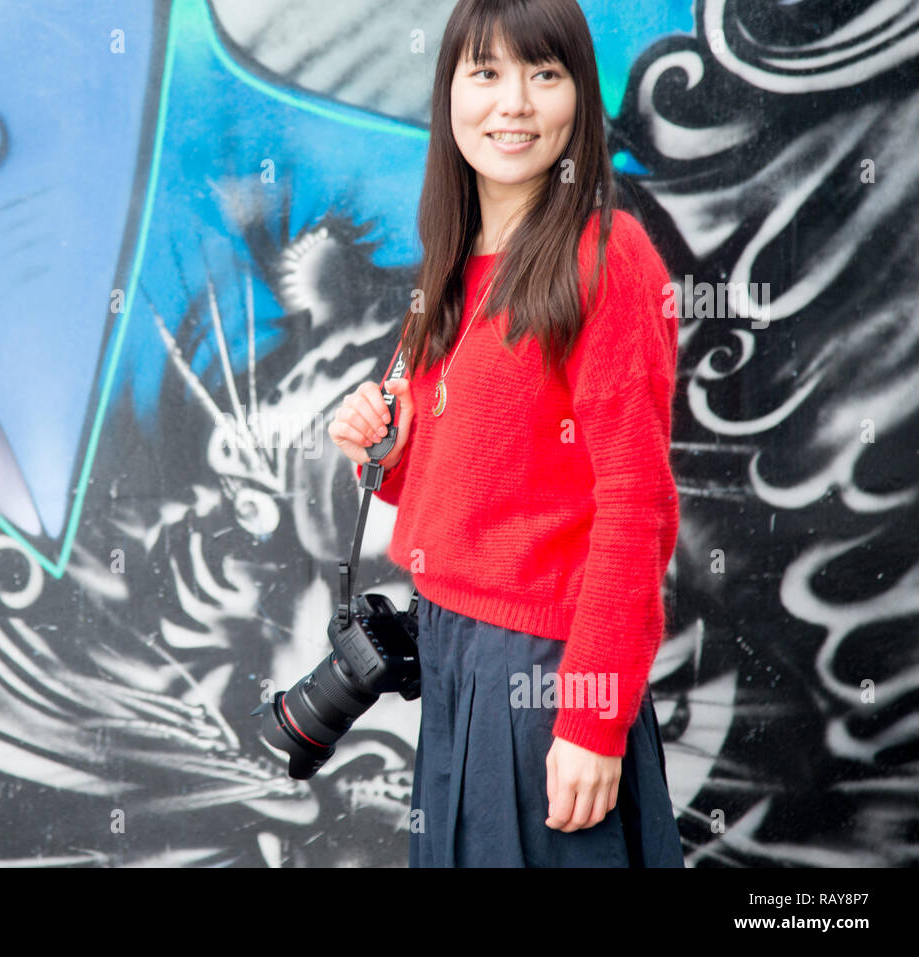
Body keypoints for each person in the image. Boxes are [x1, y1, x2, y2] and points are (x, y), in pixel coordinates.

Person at [328, 0, 685, 867]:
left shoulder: (607, 254)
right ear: (450, 93)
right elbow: (478, 481)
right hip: (451, 655)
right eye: (485, 73)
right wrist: (381, 446)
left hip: (544, 671)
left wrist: (594, 719)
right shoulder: (451, 266)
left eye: (544, 74)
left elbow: (636, 507)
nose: (514, 103)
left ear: (579, 98)